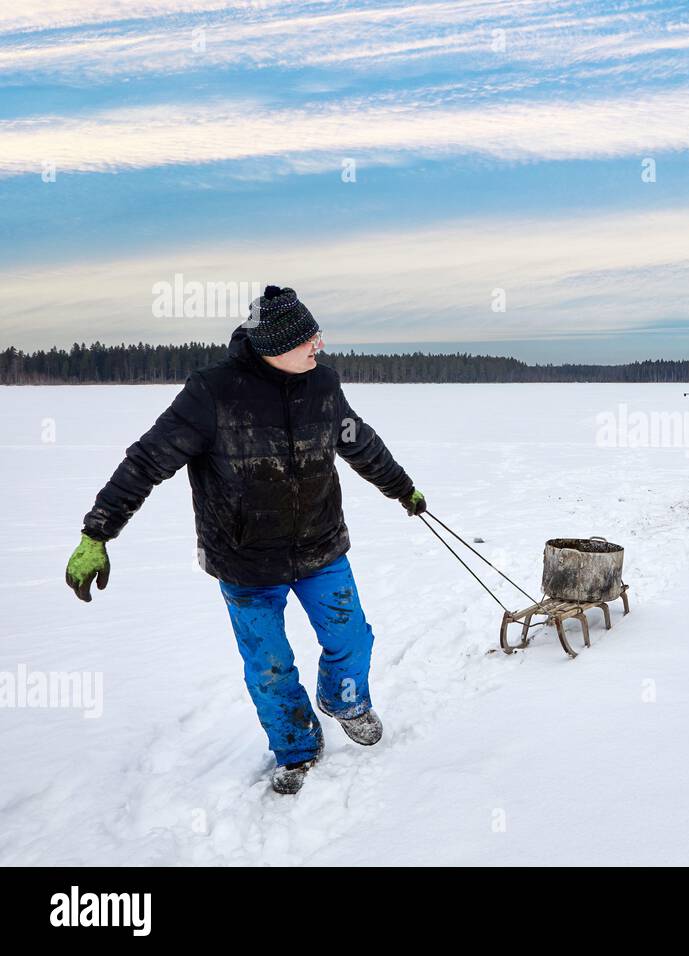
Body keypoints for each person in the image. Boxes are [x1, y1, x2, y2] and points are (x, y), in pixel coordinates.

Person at [64, 286, 427, 794]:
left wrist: (401, 487)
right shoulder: (211, 393)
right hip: (244, 561)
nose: (318, 344)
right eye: (307, 338)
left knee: (351, 637)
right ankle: (297, 747)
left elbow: (356, 440)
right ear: (274, 347)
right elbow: (147, 461)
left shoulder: (322, 383)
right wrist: (97, 532)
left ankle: (345, 699)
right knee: (269, 665)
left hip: (320, 547)